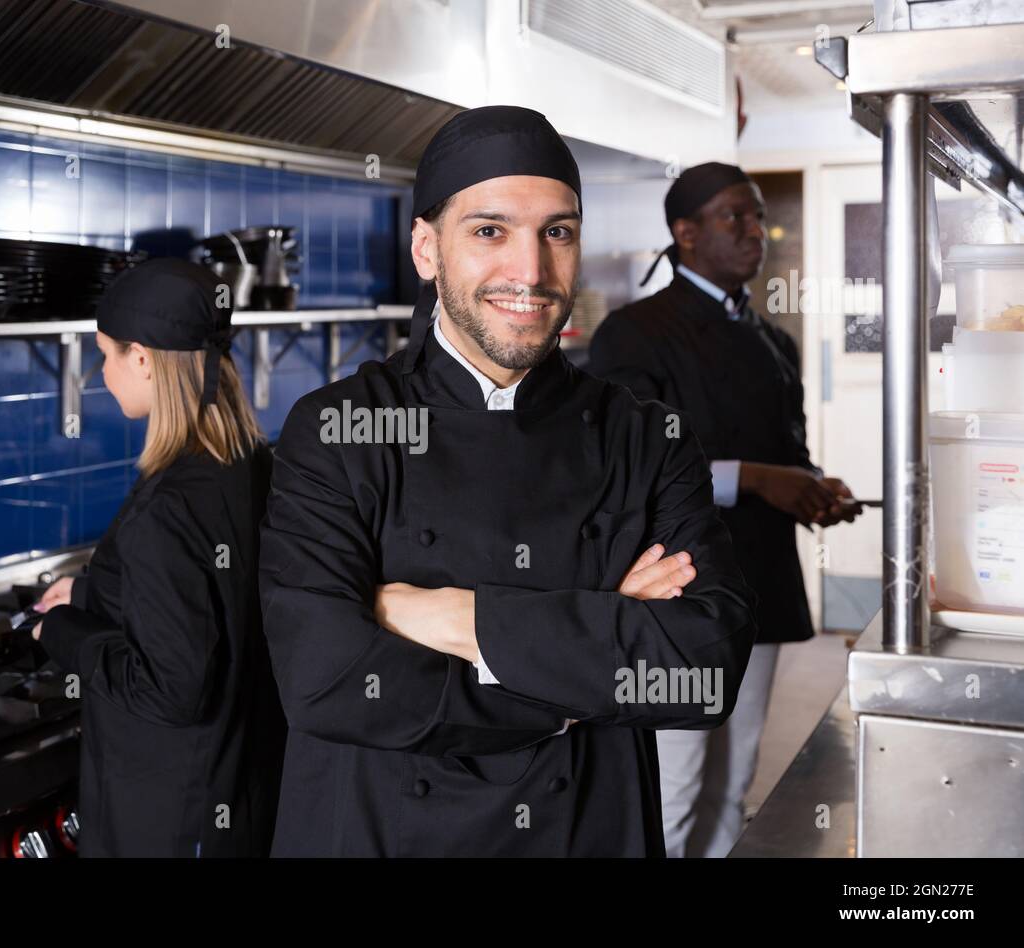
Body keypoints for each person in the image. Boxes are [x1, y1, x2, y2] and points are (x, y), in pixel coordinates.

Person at [259, 106, 757, 857]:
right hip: (381, 834)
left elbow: (702, 673)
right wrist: (588, 662)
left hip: (587, 829)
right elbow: (325, 680)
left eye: (556, 232)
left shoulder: (644, 436)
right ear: (427, 249)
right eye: (490, 231)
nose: (529, 271)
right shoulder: (338, 428)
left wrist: (452, 617)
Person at [586, 162, 860, 858]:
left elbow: (783, 451)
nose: (753, 231)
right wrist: (760, 479)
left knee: (733, 779)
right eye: (732, 216)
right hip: (678, 590)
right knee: (671, 786)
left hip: (758, 581)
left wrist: (810, 487)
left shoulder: (774, 341)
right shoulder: (635, 333)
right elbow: (627, 470)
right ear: (685, 233)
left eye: (756, 214)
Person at [32, 258, 285, 857]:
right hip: (246, 787)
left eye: (106, 354)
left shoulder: (167, 509)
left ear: (143, 358)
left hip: (173, 818)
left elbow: (172, 691)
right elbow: (212, 602)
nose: (101, 372)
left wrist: (63, 632)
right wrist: (90, 594)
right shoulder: (252, 467)